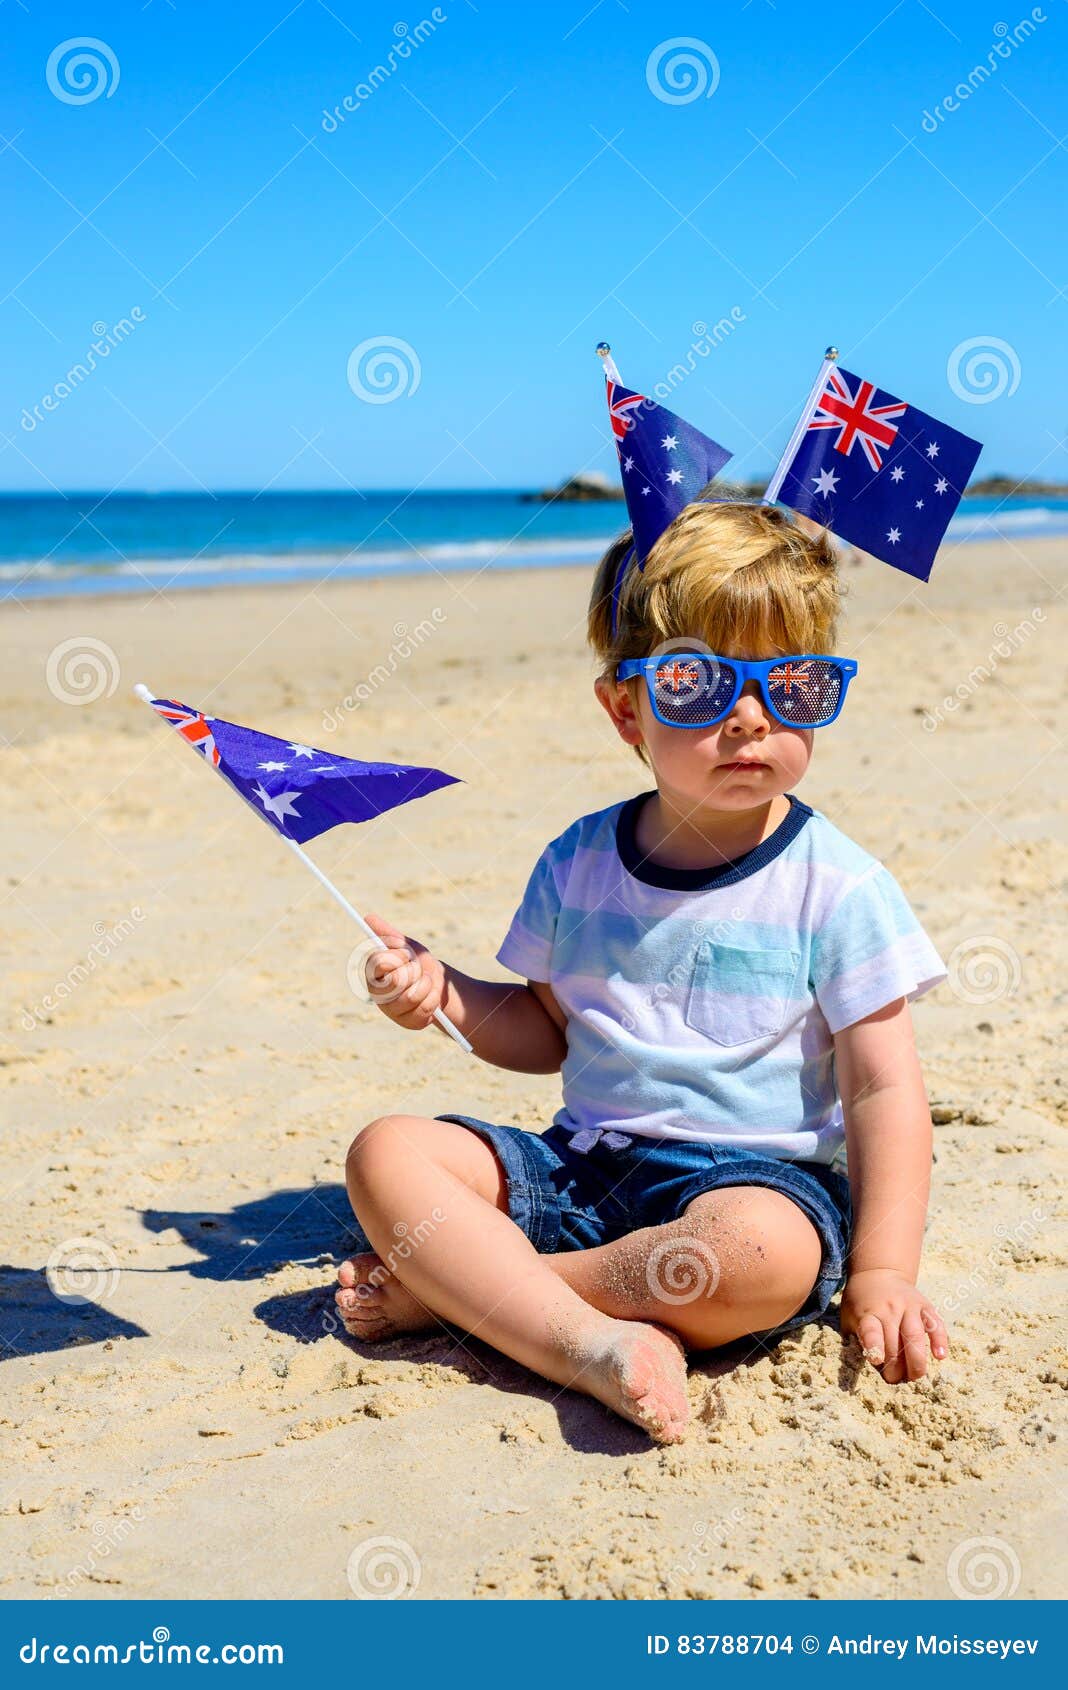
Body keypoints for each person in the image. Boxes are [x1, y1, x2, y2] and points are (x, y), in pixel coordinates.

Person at [334, 500, 950, 1443]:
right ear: (625, 708)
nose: (751, 717)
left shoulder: (840, 886)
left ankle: (477, 1298)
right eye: (699, 686)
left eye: (794, 685)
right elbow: (546, 1034)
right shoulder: (577, 863)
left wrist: (883, 1270)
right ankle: (586, 1338)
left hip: (754, 1181)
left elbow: (883, 1089)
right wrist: (443, 995)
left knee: (761, 1257)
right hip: (584, 1165)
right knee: (389, 1151)